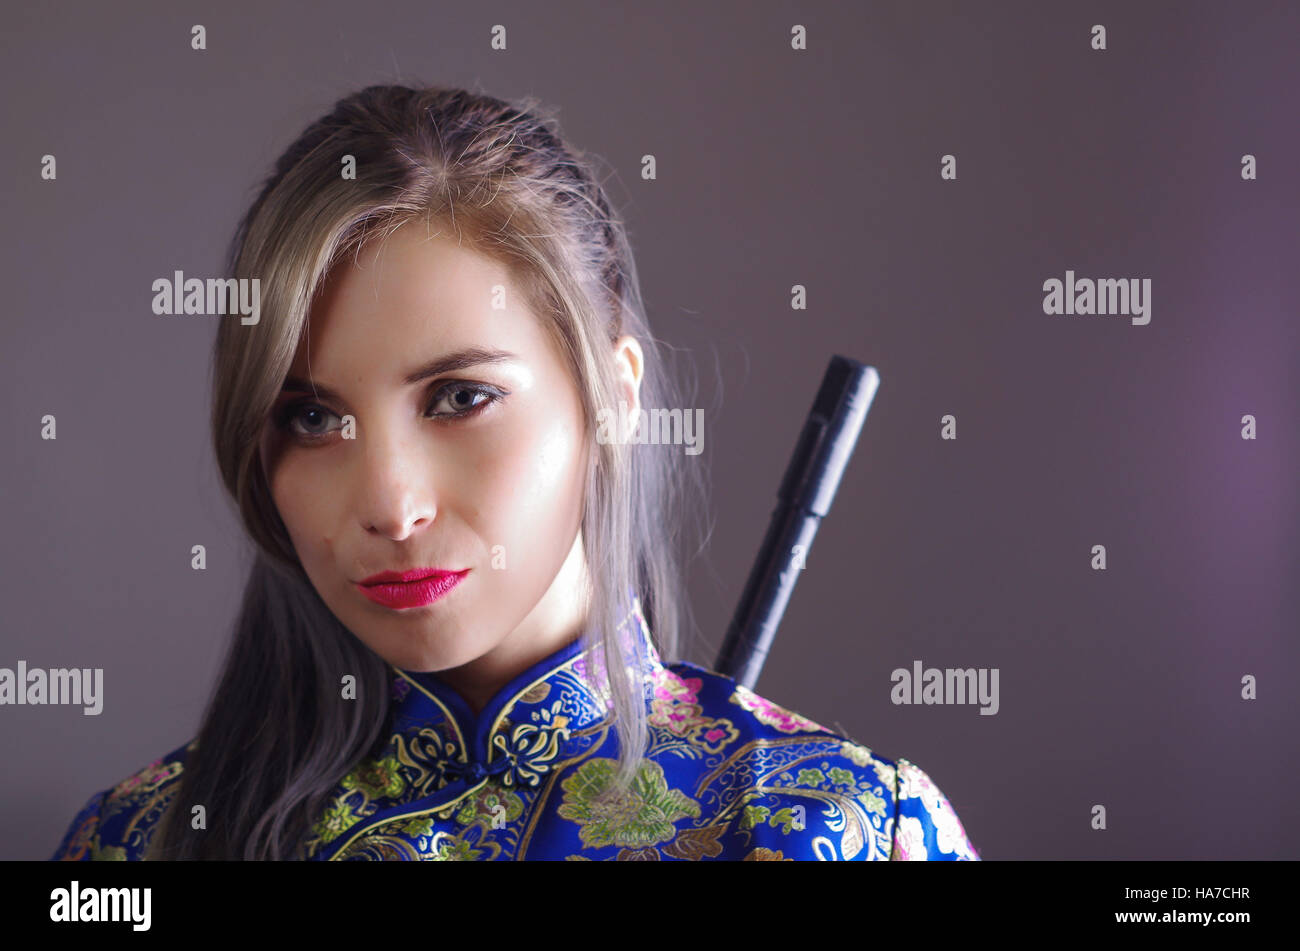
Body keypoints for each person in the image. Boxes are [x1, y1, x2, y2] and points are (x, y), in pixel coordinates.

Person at [50, 84, 979, 861]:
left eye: (458, 397)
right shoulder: (132, 845)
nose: (391, 505)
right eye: (313, 416)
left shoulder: (840, 828)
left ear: (610, 396)